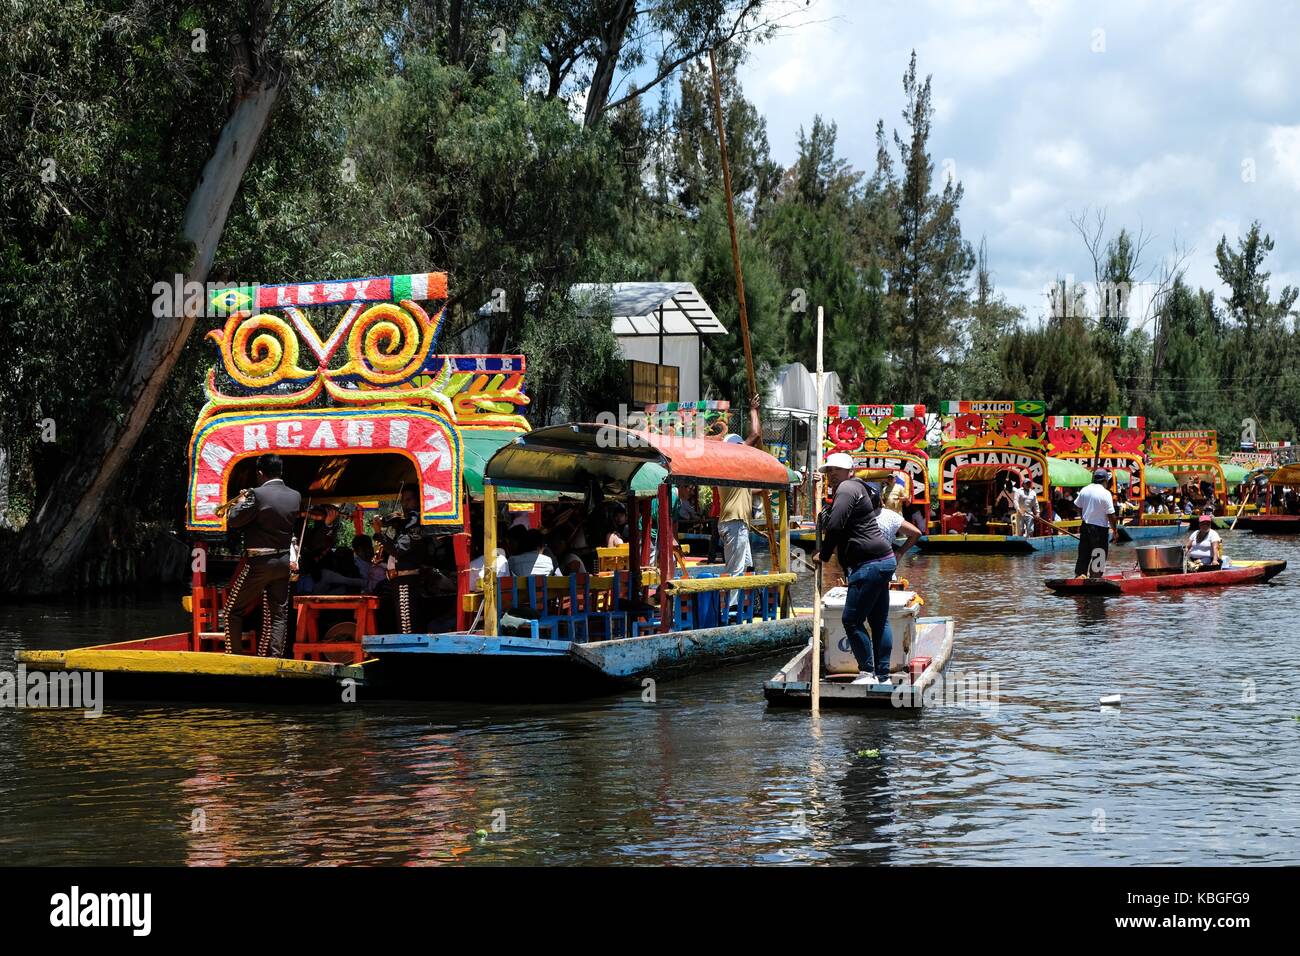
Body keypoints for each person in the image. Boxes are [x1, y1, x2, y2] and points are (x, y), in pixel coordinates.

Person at [814, 451, 897, 686]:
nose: (831, 475)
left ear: (850, 471)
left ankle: (867, 672)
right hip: (882, 560)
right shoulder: (858, 488)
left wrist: (825, 554)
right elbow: (840, 520)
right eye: (829, 471)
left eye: (836, 470)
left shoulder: (848, 487)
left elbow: (836, 524)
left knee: (851, 620)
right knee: (879, 620)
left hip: (869, 564)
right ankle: (883, 677)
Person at [222, 454, 301, 657]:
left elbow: (234, 520)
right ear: (280, 471)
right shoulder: (295, 496)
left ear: (259, 473)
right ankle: (273, 659)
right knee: (277, 615)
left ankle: (235, 657)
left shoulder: (256, 494)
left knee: (232, 609)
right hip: (283, 561)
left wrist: (240, 501)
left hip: (259, 562)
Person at [376, 486, 425, 633]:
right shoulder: (405, 524)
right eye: (403, 500)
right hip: (398, 579)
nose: (404, 504)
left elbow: (398, 550)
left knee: (407, 626)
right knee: (403, 621)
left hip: (406, 580)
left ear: (417, 501)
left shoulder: (415, 522)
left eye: (409, 500)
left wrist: (379, 533)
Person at [1074, 468, 1119, 578]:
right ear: (1105, 481)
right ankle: (1095, 577)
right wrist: (1115, 530)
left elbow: (1077, 506)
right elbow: (1111, 515)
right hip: (1100, 529)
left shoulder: (1084, 490)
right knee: (1099, 554)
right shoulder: (1105, 493)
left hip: (1085, 526)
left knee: (1084, 553)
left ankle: (1080, 575)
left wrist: (1083, 516)